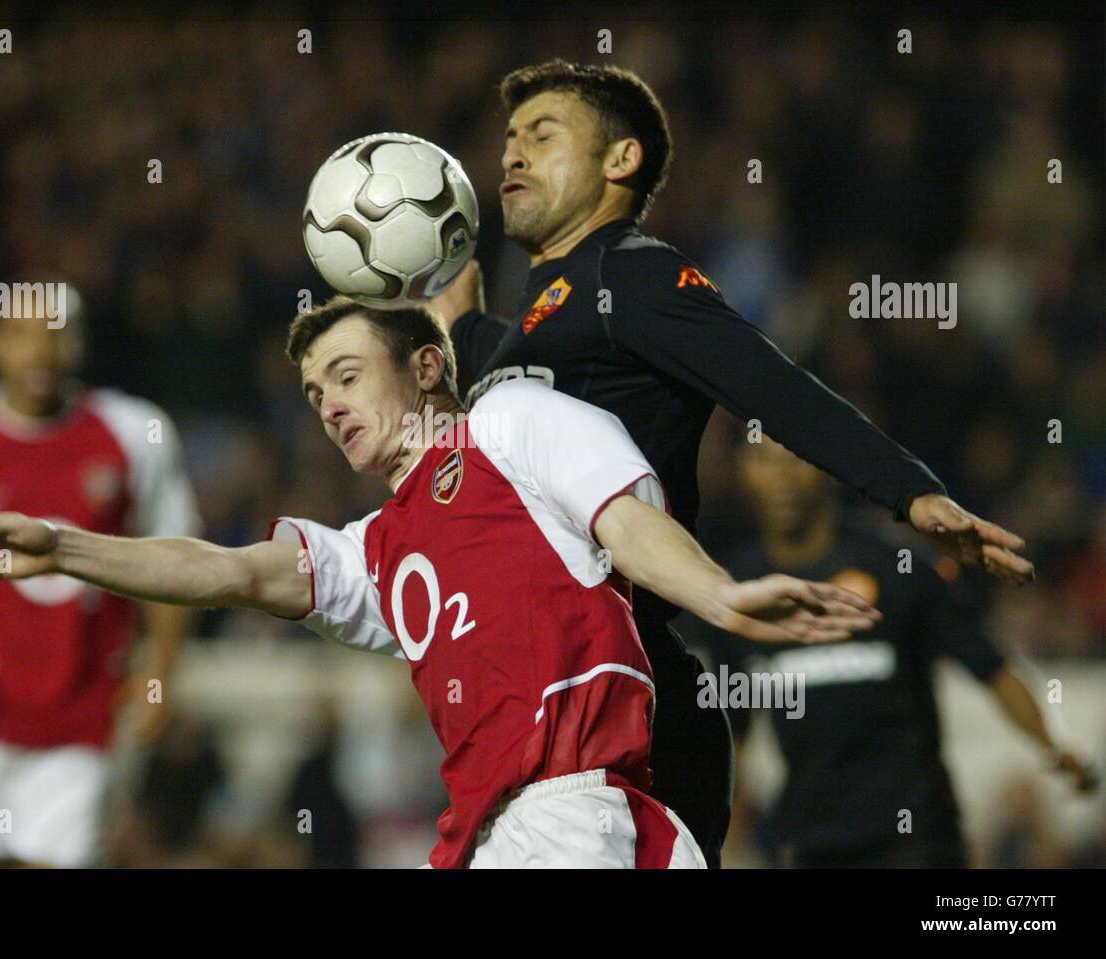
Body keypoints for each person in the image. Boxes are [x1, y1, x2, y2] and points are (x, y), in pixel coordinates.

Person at [0, 297, 881, 869]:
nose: (330, 405)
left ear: (429, 367)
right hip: (481, 834)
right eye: (315, 394)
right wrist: (62, 546)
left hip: (572, 810)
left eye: (346, 374)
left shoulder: (509, 425)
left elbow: (626, 526)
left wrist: (720, 595)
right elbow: (219, 569)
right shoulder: (375, 551)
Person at [429, 58, 1034, 866]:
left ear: (621, 160)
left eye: (542, 135)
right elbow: (530, 382)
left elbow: (774, 387)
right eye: (507, 140)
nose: (510, 155)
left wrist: (912, 493)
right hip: (550, 692)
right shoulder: (536, 323)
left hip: (634, 692)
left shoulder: (633, 274)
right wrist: (460, 332)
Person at [0, 288, 201, 867]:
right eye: (23, 333)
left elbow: (178, 557)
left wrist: (160, 666)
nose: (41, 350)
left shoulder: (134, 434)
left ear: (80, 342)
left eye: (58, 331)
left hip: (84, 711)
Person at [682, 436, 1097, 867]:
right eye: (765, 461)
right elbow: (736, 723)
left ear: (824, 466)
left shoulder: (895, 564)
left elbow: (990, 667)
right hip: (812, 842)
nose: (783, 476)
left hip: (915, 838)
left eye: (796, 459)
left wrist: (1055, 743)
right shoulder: (737, 588)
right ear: (743, 472)